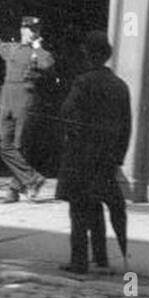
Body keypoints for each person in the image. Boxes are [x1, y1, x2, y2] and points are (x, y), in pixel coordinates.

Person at [56, 30, 132, 276]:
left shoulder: (83, 82)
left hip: (82, 156)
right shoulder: (121, 86)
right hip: (107, 158)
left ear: (88, 55)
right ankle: (100, 258)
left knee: (79, 208)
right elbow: (127, 127)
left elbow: (67, 111)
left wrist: (74, 136)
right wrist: (117, 157)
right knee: (97, 204)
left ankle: (79, 260)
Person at [0, 8, 55, 203]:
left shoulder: (40, 53)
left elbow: (47, 65)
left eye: (35, 30)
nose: (31, 33)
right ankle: (32, 179)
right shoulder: (11, 49)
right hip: (7, 101)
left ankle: (14, 189)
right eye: (28, 29)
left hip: (26, 102)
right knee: (3, 143)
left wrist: (37, 47)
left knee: (20, 146)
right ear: (22, 30)